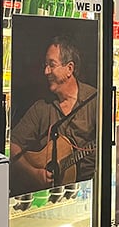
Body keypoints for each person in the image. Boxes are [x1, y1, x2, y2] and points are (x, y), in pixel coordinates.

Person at [10, 35, 97, 194]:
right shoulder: (42, 108)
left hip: (87, 192)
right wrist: (34, 173)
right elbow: (12, 145)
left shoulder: (95, 101)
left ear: (69, 69)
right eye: (45, 65)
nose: (46, 71)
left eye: (51, 65)